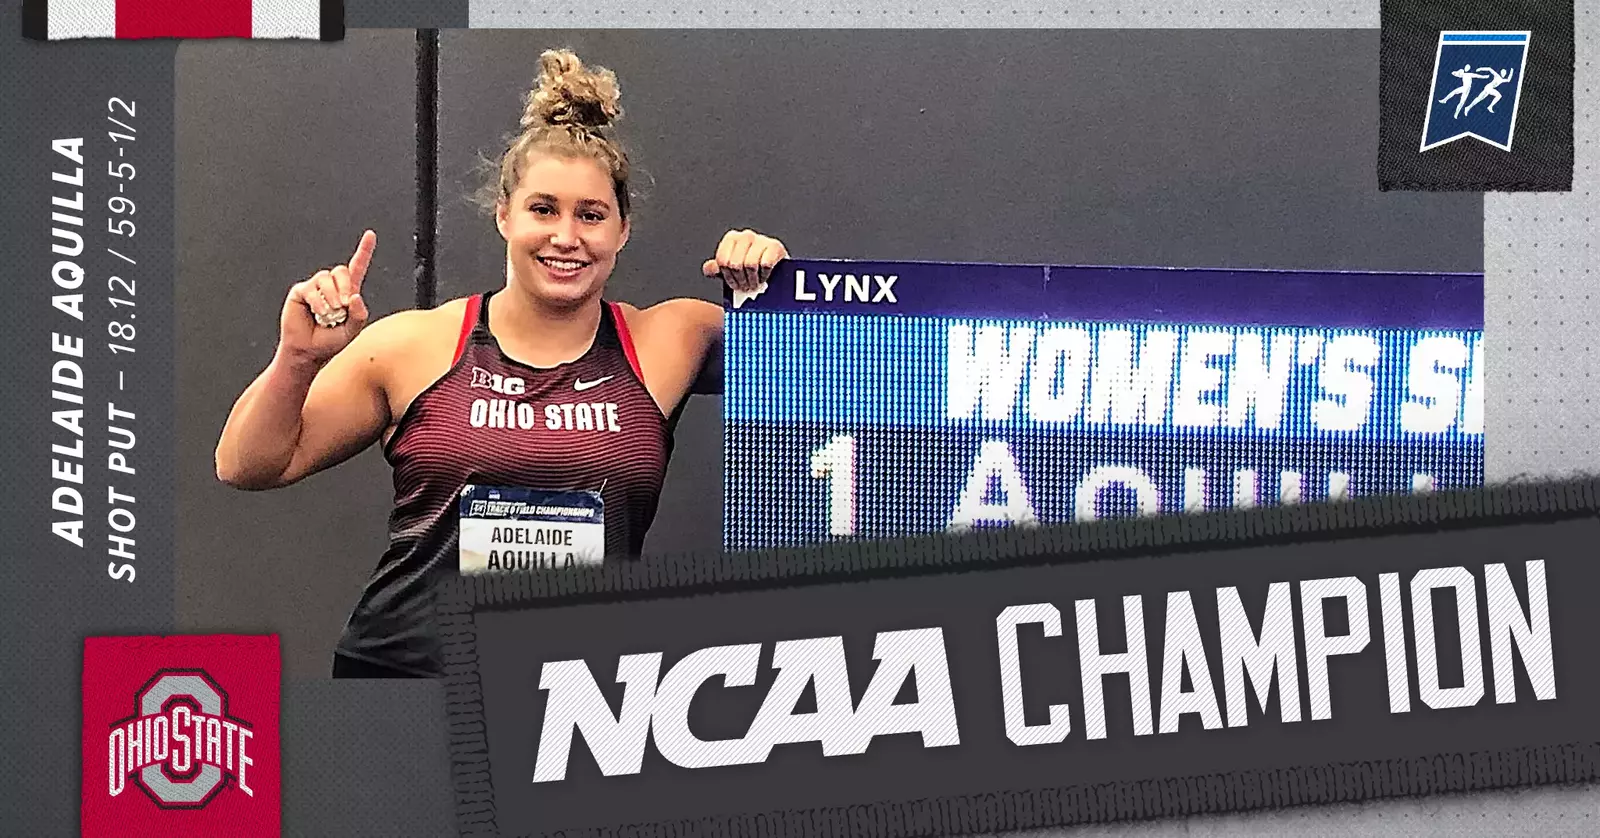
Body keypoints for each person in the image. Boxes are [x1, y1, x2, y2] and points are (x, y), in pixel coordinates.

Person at [214, 48, 789, 679]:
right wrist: (298, 358)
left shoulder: (670, 339)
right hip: (407, 684)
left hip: (577, 697)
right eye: (543, 209)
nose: (566, 237)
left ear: (622, 229)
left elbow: (836, 364)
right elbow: (247, 465)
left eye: (591, 215)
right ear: (504, 215)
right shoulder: (414, 345)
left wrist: (772, 284)